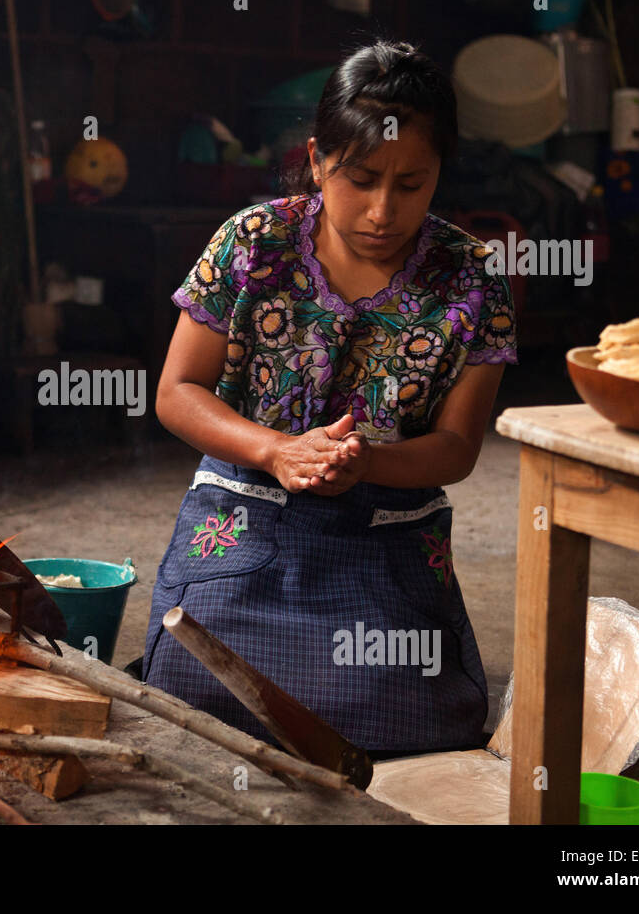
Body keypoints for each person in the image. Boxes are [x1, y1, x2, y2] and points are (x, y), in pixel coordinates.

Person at [142, 40, 518, 756]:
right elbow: (177, 392)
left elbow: (458, 448)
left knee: (398, 704)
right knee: (198, 675)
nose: (383, 209)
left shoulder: (472, 279)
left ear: (441, 172)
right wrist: (275, 449)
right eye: (362, 178)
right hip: (246, 509)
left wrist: (363, 465)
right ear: (317, 160)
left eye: (412, 183)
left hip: (386, 525)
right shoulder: (253, 242)